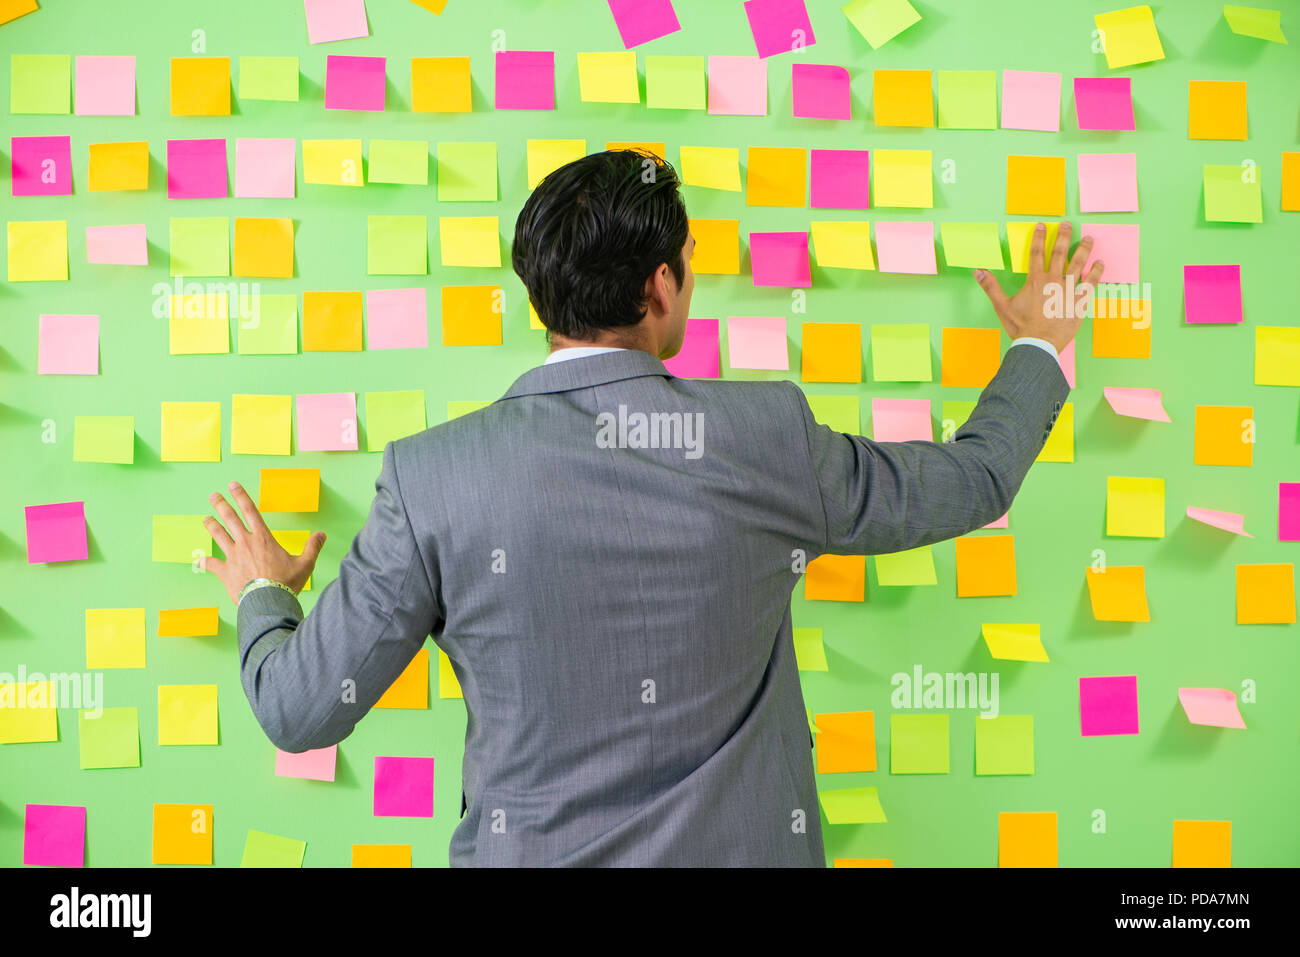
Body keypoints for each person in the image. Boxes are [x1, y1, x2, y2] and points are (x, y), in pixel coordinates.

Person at [201, 149, 1101, 866]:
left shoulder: (433, 476)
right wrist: (1039, 349)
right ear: (661, 287)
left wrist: (262, 594)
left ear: (539, 296)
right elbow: (975, 479)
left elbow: (298, 710)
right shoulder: (762, 435)